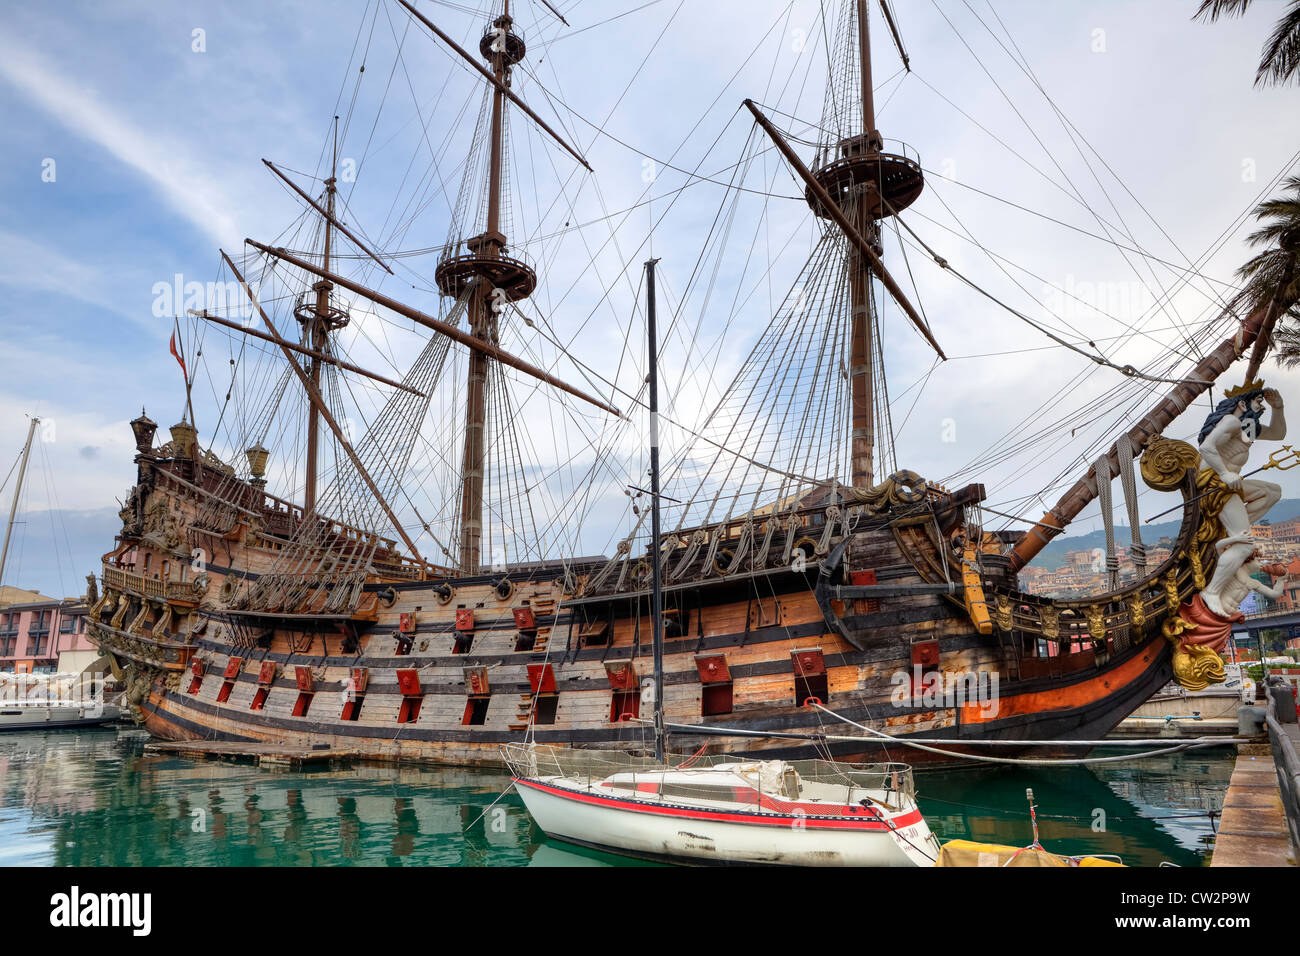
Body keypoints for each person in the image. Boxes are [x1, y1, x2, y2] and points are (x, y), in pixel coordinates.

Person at [1197, 383, 1286, 617]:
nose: (1262, 407)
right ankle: (1212, 592)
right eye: (1259, 402)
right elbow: (1206, 447)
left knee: (1273, 492)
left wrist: (1279, 408)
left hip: (1230, 484)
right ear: (1242, 404)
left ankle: (1234, 530)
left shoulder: (1248, 427)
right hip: (1215, 485)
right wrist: (1225, 473)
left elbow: (1278, 434)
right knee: (1245, 544)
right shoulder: (1231, 421)